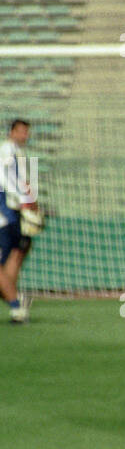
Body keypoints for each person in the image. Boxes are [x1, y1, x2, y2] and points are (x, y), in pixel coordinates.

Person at [0, 118, 38, 323]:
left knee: (16, 254)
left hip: (11, 213)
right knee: (13, 256)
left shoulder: (17, 152)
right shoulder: (8, 150)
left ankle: (14, 302)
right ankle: (15, 302)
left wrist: (30, 202)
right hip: (8, 211)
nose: (25, 135)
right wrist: (27, 201)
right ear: (12, 131)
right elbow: (9, 182)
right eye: (22, 131)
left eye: (27, 132)